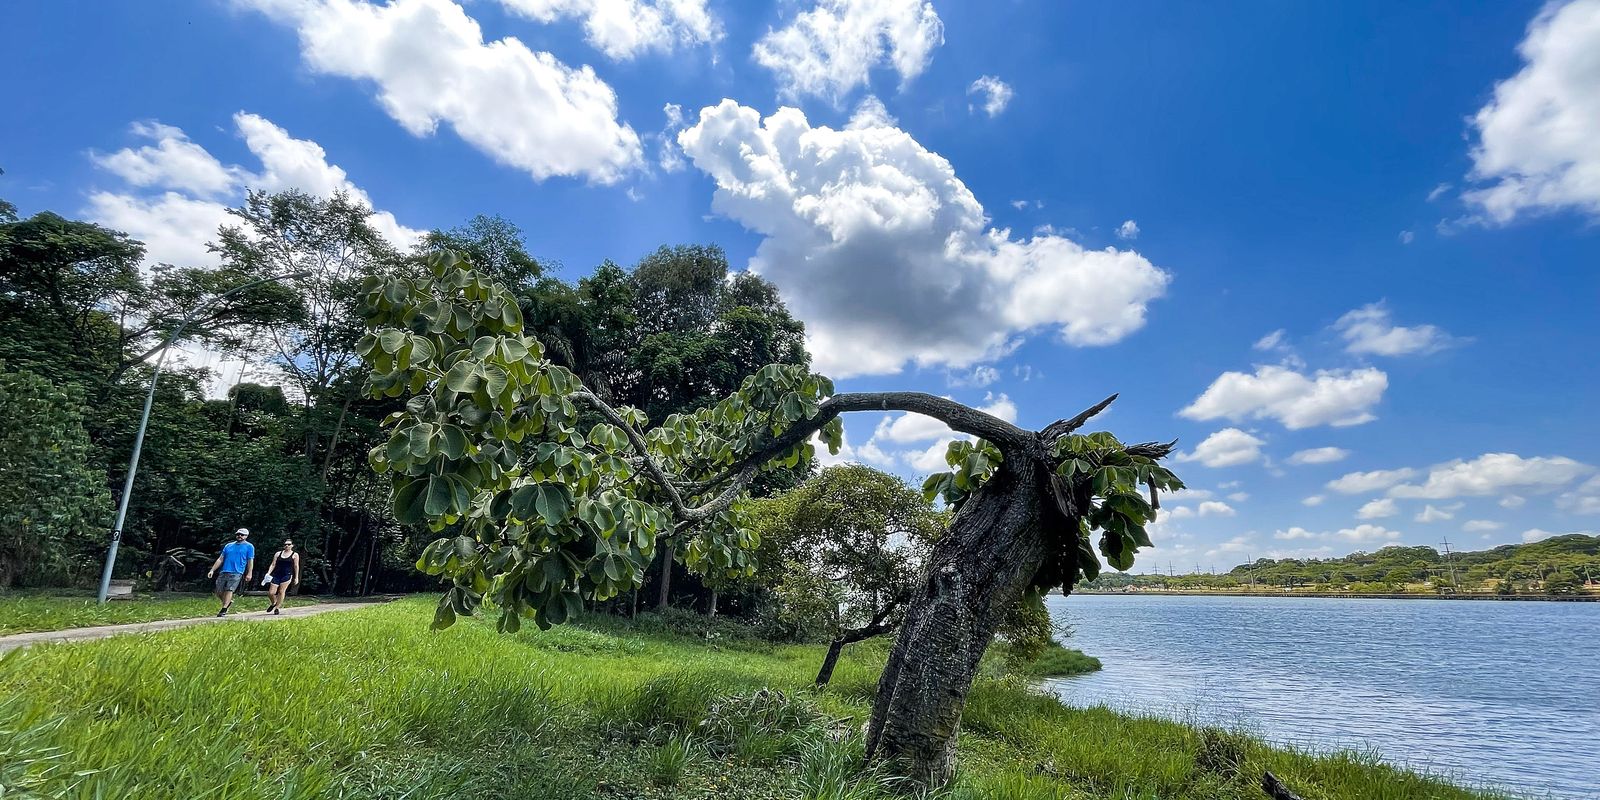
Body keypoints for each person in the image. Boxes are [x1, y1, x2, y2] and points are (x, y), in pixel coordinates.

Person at [207, 528, 254, 616]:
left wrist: (249, 573)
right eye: (238, 534)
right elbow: (220, 559)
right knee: (218, 591)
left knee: (229, 589)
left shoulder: (249, 546)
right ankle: (228, 602)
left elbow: (250, 560)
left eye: (242, 535)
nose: (239, 536)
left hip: (237, 571)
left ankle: (224, 609)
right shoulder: (228, 545)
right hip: (224, 570)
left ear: (246, 536)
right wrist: (212, 570)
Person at [261, 538, 300, 615]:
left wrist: (296, 577)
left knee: (281, 591)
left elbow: (296, 566)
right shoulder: (278, 554)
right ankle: (274, 603)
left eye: (289, 544)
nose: (287, 546)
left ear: (292, 545)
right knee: (271, 593)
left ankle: (277, 608)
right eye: (285, 544)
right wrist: (268, 573)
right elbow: (273, 564)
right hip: (276, 575)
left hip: (287, 575)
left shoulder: (295, 555)